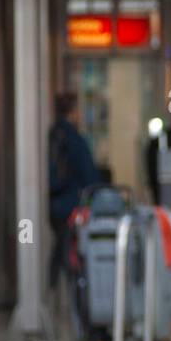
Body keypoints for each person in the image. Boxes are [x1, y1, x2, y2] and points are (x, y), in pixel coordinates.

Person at [48, 93, 99, 289]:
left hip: (54, 202)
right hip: (70, 204)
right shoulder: (74, 139)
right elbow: (89, 175)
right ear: (74, 111)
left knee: (61, 247)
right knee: (68, 251)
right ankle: (66, 292)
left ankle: (53, 289)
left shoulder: (53, 134)